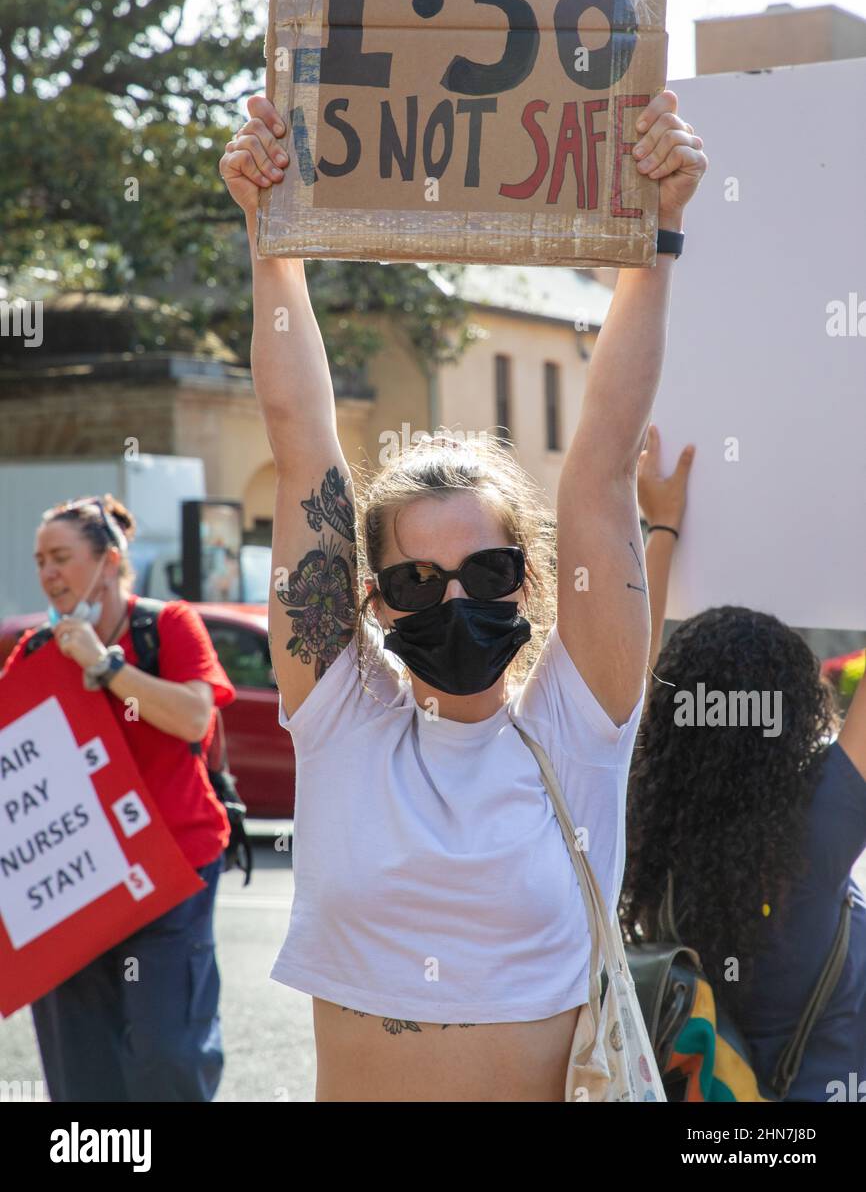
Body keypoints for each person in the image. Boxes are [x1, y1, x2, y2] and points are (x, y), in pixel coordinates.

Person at [219, 88, 708, 1102]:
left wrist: (655, 231)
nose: (452, 601)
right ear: (372, 600)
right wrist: (272, 238)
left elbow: (600, 464)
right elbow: (301, 436)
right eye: (414, 580)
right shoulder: (339, 718)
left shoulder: (579, 731)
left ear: (528, 577)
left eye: (484, 573)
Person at [623, 427, 866, 1102]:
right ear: (793, 712)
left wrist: (662, 524)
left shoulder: (638, 812)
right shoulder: (823, 819)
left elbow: (623, 672)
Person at [0, 494, 237, 1101]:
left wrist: (105, 668)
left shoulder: (167, 625)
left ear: (108, 562)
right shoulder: (33, 652)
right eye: (39, 561)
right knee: (81, 1069)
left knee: (168, 1053)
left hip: (175, 866)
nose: (49, 573)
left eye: (62, 557)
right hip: (79, 881)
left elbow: (192, 718)